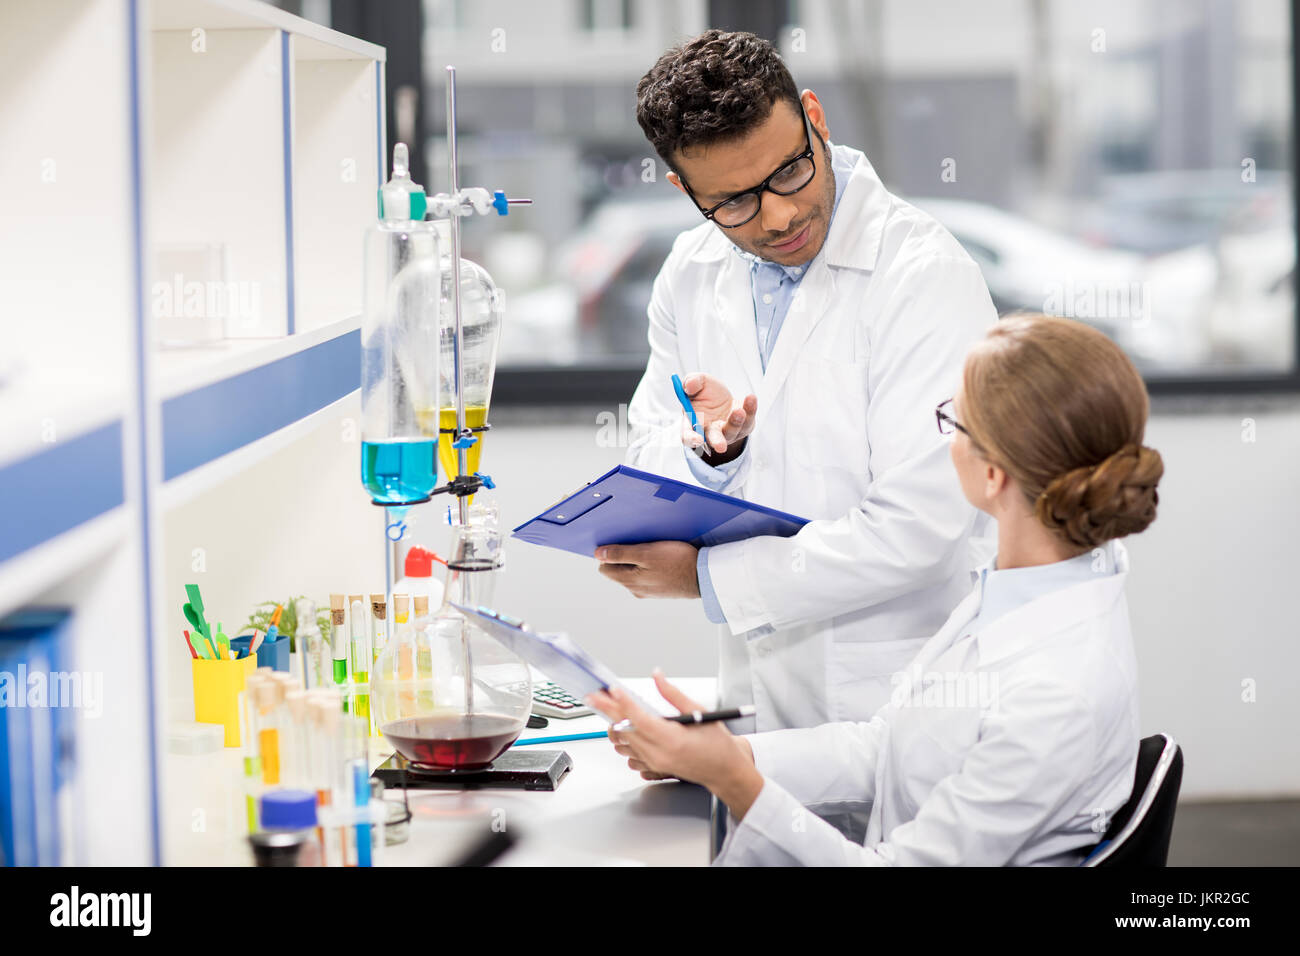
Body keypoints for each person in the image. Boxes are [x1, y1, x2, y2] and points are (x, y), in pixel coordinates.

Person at [589, 313, 1164, 866]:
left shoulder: (1055, 693)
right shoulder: (1032, 585)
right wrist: (728, 755)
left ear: (993, 477)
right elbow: (885, 747)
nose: (941, 437)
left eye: (953, 421)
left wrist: (733, 780)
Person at [595, 30, 999, 734]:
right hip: (757, 691)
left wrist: (704, 580)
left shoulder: (925, 275)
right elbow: (648, 452)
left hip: (903, 696)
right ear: (684, 189)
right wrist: (708, 454)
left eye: (789, 173)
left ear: (815, 117)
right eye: (733, 202)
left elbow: (919, 527)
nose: (778, 215)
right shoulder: (690, 272)